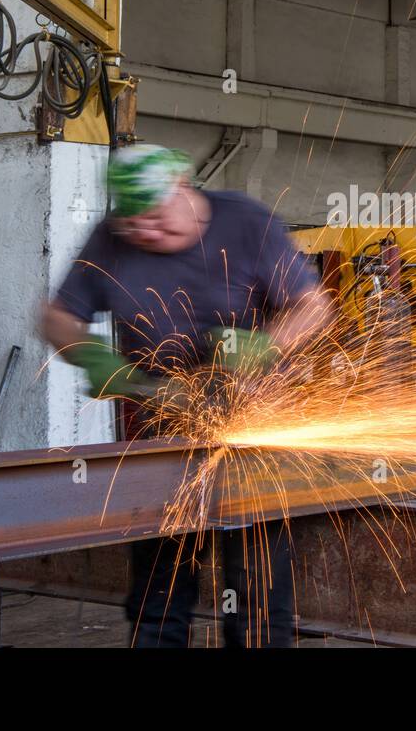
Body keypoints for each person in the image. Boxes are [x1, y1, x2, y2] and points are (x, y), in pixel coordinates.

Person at [40, 144, 330, 647]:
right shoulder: (112, 237)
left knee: (258, 596)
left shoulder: (245, 222)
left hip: (254, 437)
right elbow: (56, 316)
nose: (144, 233)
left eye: (154, 218)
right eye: (133, 225)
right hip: (161, 435)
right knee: (160, 591)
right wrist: (99, 360)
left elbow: (312, 305)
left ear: (183, 188)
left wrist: (264, 345)